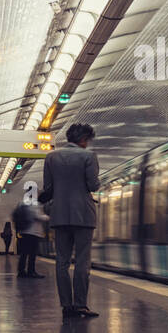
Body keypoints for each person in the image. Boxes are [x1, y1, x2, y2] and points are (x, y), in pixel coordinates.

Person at [41, 122, 101, 318]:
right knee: (83, 261)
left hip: (59, 215)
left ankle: (66, 306)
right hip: (83, 215)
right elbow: (93, 185)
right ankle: (80, 305)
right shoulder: (88, 156)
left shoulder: (51, 157)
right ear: (84, 139)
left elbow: (48, 188)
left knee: (62, 262)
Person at [12, 203, 48, 278]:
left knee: (24, 253)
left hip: (25, 232)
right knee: (32, 254)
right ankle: (31, 272)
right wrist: (48, 217)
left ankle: (21, 271)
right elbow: (37, 216)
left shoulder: (25, 204)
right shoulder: (34, 204)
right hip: (33, 233)